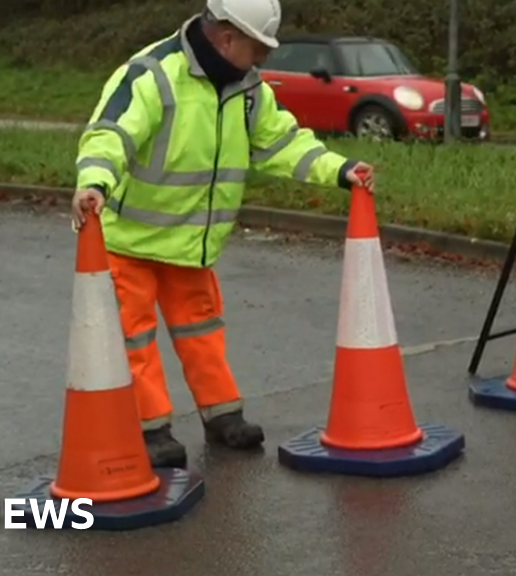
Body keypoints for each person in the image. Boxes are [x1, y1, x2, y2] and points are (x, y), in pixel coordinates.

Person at [69, 0, 375, 468]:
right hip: (130, 242)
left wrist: (340, 169)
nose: (264, 58)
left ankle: (222, 415)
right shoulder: (153, 75)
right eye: (259, 48)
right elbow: (110, 135)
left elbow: (283, 142)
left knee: (202, 331)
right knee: (134, 340)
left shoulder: (248, 88)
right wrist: (94, 182)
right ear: (228, 38)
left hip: (191, 246)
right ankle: (150, 431)